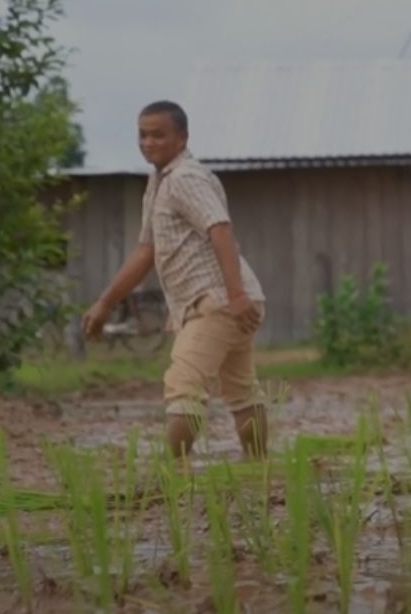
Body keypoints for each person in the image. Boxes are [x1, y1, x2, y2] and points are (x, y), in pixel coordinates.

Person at [82, 100, 270, 461]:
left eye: (159, 135)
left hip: (217, 301)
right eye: (143, 135)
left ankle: (174, 475)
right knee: (242, 389)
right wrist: (106, 303)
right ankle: (259, 468)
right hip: (222, 300)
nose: (149, 142)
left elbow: (220, 229)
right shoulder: (160, 182)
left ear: (182, 138)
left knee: (184, 387)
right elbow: (145, 253)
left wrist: (236, 295)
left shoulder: (186, 178)